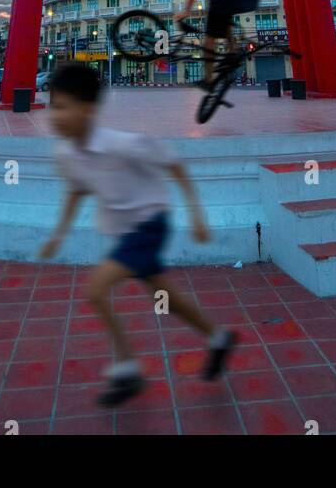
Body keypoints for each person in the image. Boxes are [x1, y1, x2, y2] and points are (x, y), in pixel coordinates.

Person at [39, 63, 237, 406]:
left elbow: (174, 164)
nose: (53, 115)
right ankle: (218, 339)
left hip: (149, 225)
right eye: (51, 105)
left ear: (87, 109)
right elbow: (76, 190)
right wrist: (58, 233)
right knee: (167, 299)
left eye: (62, 106)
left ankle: (127, 369)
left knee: (96, 289)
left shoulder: (123, 145)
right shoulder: (66, 153)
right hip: (126, 231)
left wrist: (197, 216)